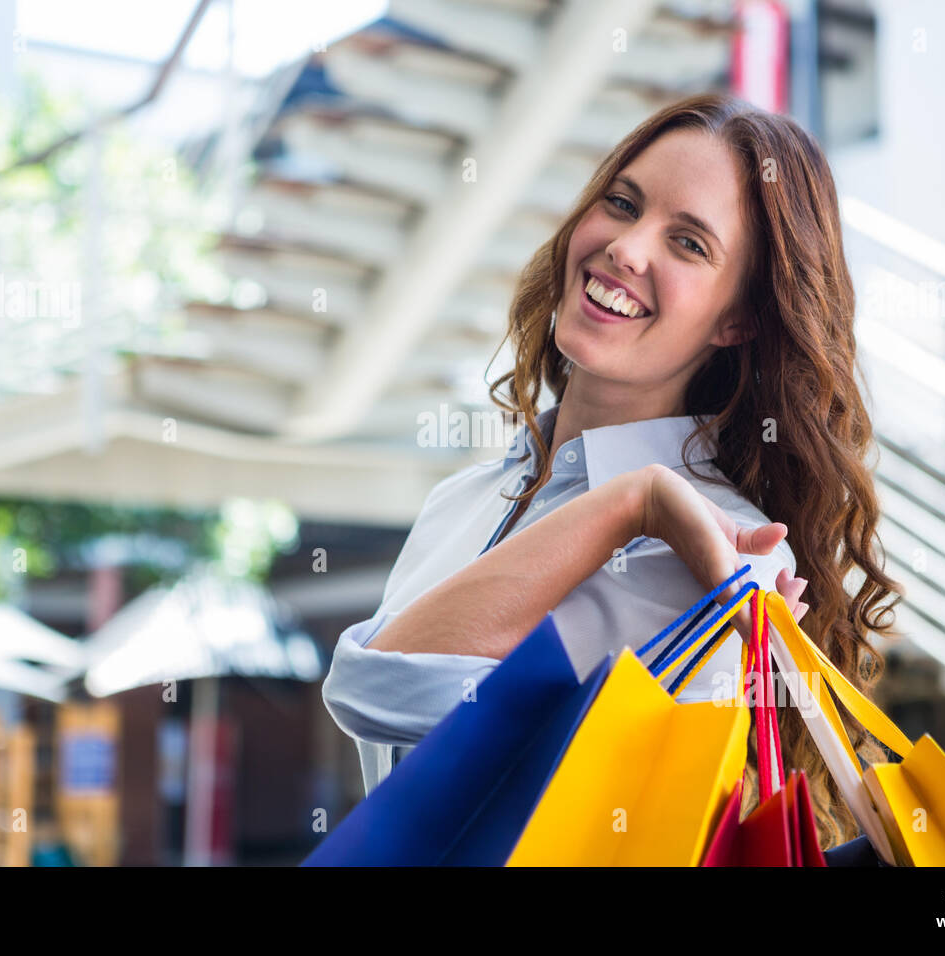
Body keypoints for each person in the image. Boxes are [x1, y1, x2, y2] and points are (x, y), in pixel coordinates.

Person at [322, 92, 905, 853]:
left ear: (739, 320)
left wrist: (640, 503)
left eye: (689, 243)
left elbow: (380, 691)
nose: (626, 249)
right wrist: (637, 502)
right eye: (622, 204)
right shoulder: (464, 496)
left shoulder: (718, 554)